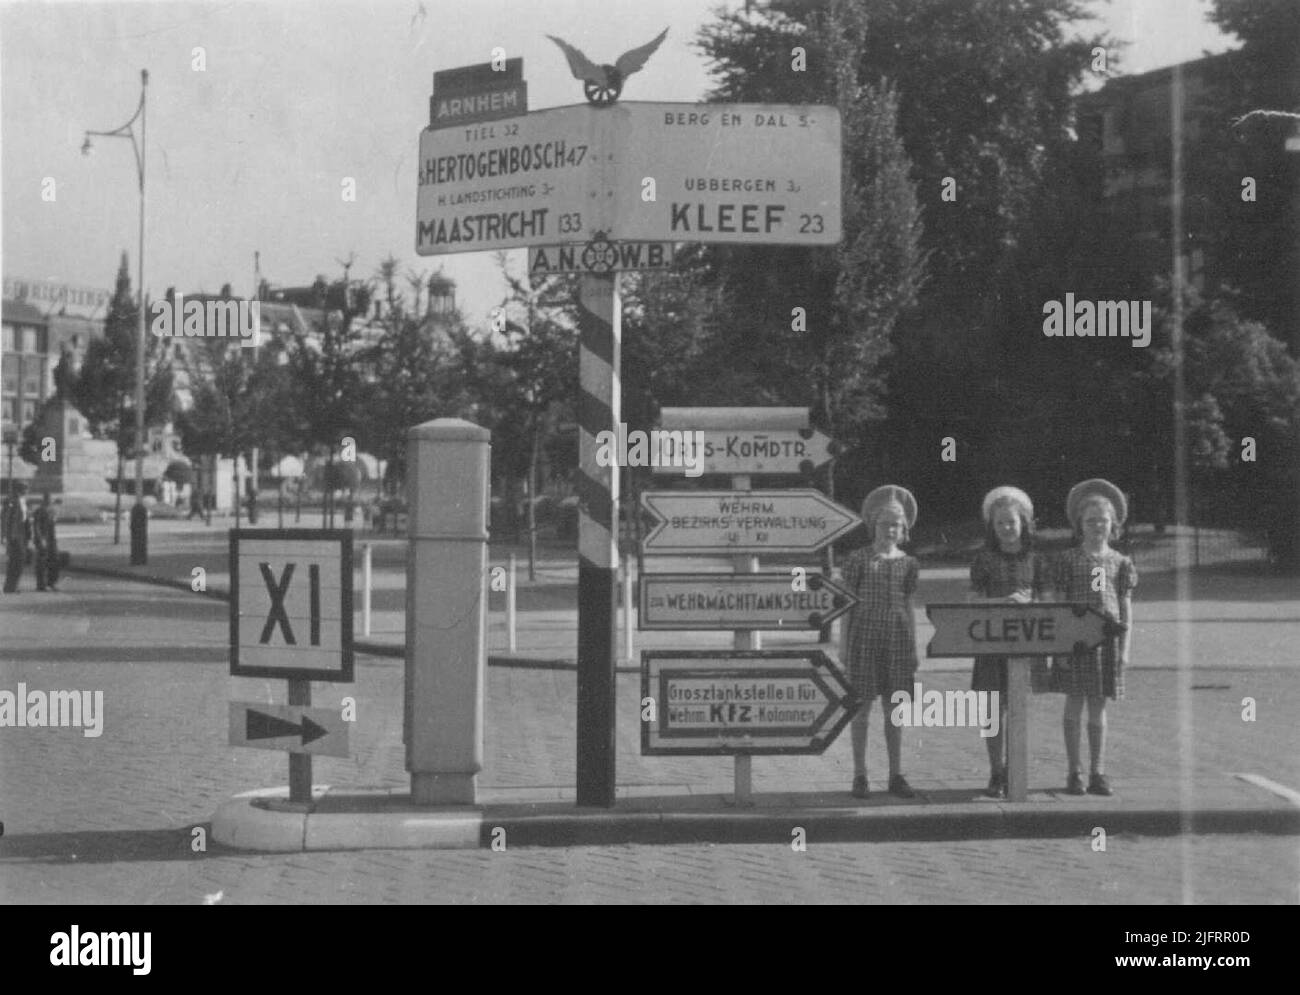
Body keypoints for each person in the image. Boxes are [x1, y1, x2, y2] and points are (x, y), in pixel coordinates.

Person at [1051, 478, 1137, 797]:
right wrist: (1058, 645)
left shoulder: (1120, 563)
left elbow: (1125, 608)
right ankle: (1074, 771)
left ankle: (1098, 770)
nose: (1097, 526)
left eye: (1103, 520)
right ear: (1080, 525)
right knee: (1074, 704)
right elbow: (1059, 605)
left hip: (1107, 643)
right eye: (1091, 521)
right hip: (1075, 641)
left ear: (1113, 524)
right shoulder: (1069, 560)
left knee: (1098, 707)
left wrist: (1125, 648)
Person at [968, 486, 1052, 797]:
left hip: (1025, 642)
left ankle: (1016, 768)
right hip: (991, 643)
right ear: (992, 526)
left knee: (1017, 706)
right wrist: (1004, 600)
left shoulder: (1037, 560)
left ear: (1023, 524)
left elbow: (1048, 600)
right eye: (1000, 523)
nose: (1006, 528)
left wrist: (1031, 604)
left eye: (1011, 522)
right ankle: (996, 771)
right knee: (992, 709)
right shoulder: (984, 560)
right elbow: (973, 599)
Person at [839, 484, 921, 799]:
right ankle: (860, 774)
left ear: (904, 529)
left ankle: (895, 773)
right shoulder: (859, 559)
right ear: (873, 524)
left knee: (895, 709)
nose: (890, 529)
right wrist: (843, 645)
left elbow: (910, 606)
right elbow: (846, 605)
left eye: (897, 525)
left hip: (898, 641)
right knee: (861, 708)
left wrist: (914, 645)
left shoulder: (909, 564)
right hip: (864, 639)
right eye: (885, 523)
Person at [2, 482, 30, 594]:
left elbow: (24, 518)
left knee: (19, 561)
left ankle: (12, 586)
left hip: (22, 534)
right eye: (26, 489)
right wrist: (4, 536)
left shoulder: (23, 501)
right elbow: (6, 519)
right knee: (15, 561)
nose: (27, 491)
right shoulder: (11, 501)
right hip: (14, 536)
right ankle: (9, 587)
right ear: (20, 490)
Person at [31, 492, 59, 592]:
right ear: (44, 500)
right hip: (43, 539)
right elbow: (36, 526)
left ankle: (51, 583)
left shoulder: (52, 510)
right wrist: (40, 539)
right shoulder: (39, 511)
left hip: (52, 539)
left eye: (50, 499)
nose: (49, 501)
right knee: (42, 563)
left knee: (54, 560)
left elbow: (52, 525)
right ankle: (41, 585)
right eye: (47, 499)